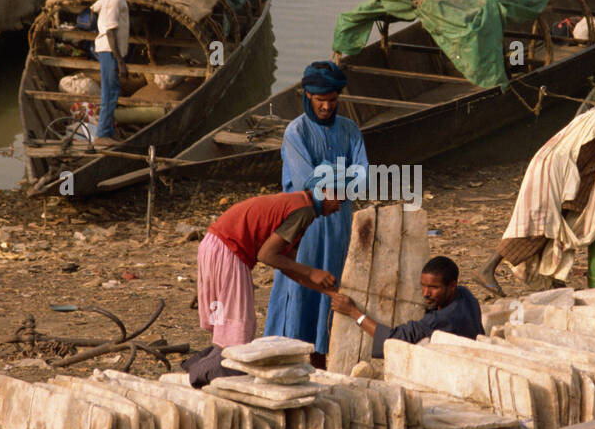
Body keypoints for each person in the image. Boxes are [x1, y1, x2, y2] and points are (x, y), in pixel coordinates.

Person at [479, 84, 595, 295]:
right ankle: (487, 268)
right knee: (539, 226)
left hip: (567, 173)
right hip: (555, 173)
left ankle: (550, 278)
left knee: (562, 226)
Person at [263, 60, 368, 368]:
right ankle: (289, 350)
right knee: (300, 283)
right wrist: (340, 180)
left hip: (339, 225)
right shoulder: (296, 132)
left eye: (333, 101)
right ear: (307, 95)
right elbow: (306, 181)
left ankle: (324, 353)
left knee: (332, 284)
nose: (326, 106)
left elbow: (362, 176)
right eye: (321, 100)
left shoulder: (349, 130)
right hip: (303, 225)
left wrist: (333, 180)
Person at [196, 186, 342, 349]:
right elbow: (266, 255)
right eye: (339, 200)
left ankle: (214, 367)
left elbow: (290, 267)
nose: (338, 208)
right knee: (237, 328)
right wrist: (312, 272)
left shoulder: (298, 203)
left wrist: (329, 292)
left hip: (213, 245)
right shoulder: (304, 211)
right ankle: (225, 370)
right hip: (229, 249)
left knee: (225, 323)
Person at [330, 256, 484, 359]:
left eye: (433, 287)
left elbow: (392, 339)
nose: (425, 293)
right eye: (423, 286)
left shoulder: (442, 319)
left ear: (451, 285)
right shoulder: (465, 294)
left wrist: (354, 312)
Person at [92, 0, 132, 147]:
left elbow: (94, 7)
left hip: (108, 51)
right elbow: (110, 31)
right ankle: (102, 135)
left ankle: (107, 131)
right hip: (109, 50)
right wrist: (121, 62)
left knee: (111, 90)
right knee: (110, 91)